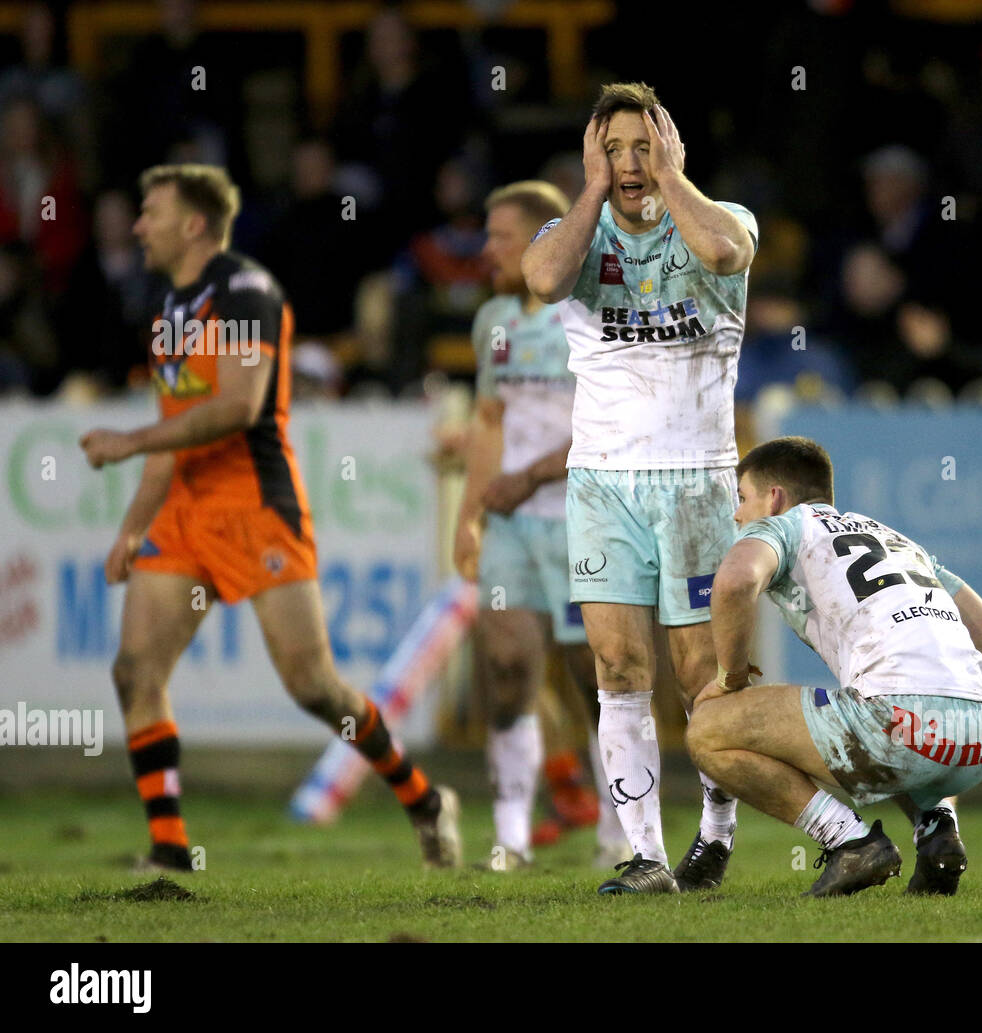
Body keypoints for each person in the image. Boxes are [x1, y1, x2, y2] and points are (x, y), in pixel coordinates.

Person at [78, 164, 459, 873]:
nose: (137, 225)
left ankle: (422, 797)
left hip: (256, 507)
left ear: (193, 223)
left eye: (149, 211)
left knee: (314, 687)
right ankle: (169, 849)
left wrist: (127, 441)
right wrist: (134, 524)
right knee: (135, 669)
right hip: (186, 513)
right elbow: (177, 425)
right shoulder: (168, 308)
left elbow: (238, 406)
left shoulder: (246, 291)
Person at [522, 82, 758, 894]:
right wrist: (591, 189)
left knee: (702, 673)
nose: (630, 163)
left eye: (642, 145)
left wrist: (672, 179)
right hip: (602, 484)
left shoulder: (724, 219)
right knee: (619, 665)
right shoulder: (573, 237)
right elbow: (544, 281)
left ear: (671, 147)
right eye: (614, 148)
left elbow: (726, 255)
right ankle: (646, 856)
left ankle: (717, 834)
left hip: (695, 480)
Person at [686, 436, 982, 897]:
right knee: (884, 715)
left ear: (774, 497)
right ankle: (939, 831)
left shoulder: (785, 526)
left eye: (742, 498)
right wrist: (941, 685)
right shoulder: (894, 538)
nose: (737, 514)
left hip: (898, 724)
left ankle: (851, 842)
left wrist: (730, 678)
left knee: (707, 729)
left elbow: (735, 582)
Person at [454, 179, 626, 869]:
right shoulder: (492, 320)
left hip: (583, 519)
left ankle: (621, 829)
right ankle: (511, 837)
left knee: (599, 681)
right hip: (512, 529)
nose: (486, 248)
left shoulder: (586, 314)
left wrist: (528, 477)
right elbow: (487, 424)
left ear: (538, 241)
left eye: (499, 236)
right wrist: (469, 517)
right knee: (507, 667)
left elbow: (602, 423)